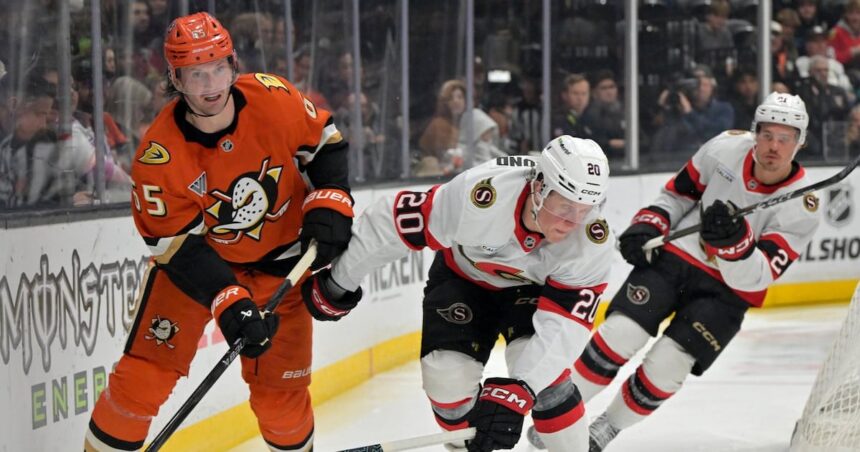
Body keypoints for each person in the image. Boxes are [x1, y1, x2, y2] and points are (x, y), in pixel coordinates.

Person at [84, 12, 352, 452]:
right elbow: (174, 246)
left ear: (233, 65)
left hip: (282, 266)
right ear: (175, 78)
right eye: (194, 74)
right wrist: (227, 296)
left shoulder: (273, 97)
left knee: (280, 401)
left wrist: (331, 198)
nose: (209, 85)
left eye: (217, 69)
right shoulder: (159, 157)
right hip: (196, 273)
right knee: (141, 379)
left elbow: (324, 139)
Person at [301, 135, 615, 452]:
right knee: (445, 377)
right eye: (564, 207)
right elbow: (394, 223)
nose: (573, 223)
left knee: (548, 385)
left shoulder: (593, 239)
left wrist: (520, 388)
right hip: (464, 280)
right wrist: (339, 281)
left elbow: (565, 326)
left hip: (534, 292)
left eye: (585, 209)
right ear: (538, 187)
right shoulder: (482, 194)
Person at [567, 92, 821, 451]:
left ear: (800, 142)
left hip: (727, 292)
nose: (774, 147)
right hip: (676, 259)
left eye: (785, 138)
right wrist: (649, 224)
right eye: (767, 135)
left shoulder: (805, 204)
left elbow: (759, 275)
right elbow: (678, 194)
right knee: (620, 333)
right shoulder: (724, 149)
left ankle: (607, 427)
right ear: (754, 132)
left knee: (668, 366)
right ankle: (563, 412)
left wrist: (735, 245)